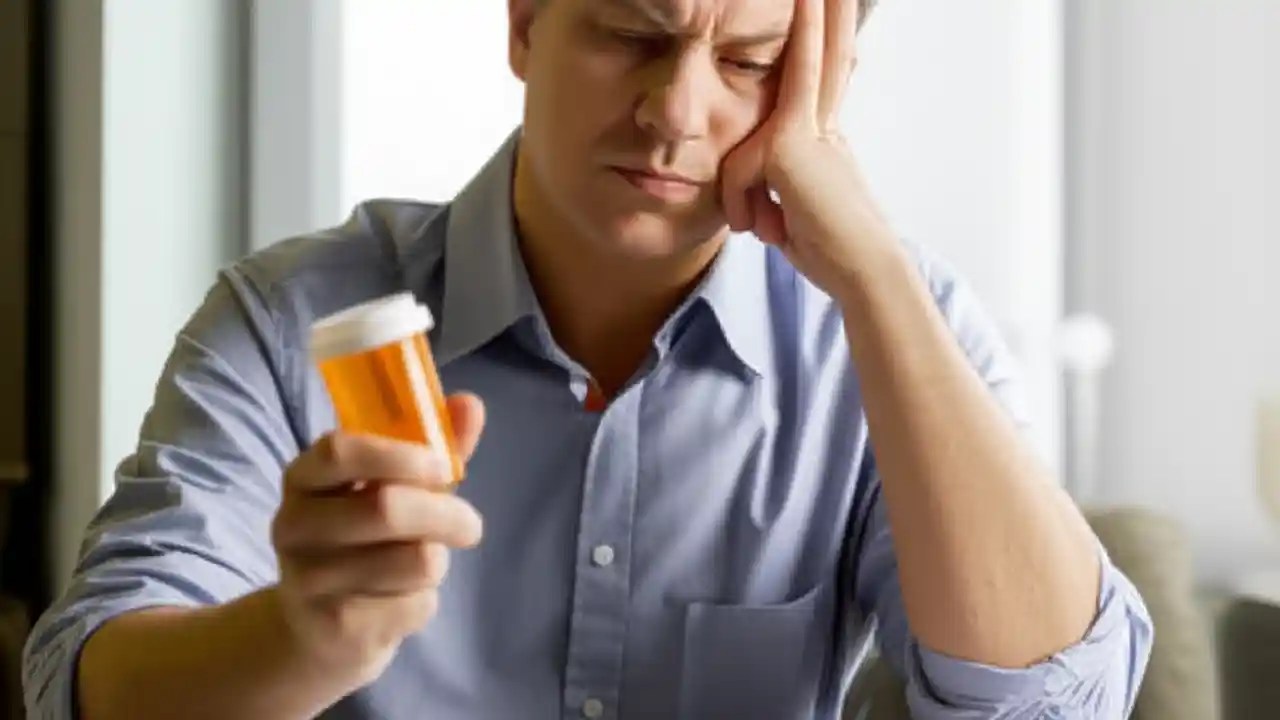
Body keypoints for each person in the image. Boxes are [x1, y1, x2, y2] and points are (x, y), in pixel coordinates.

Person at [24, 0, 1154, 718]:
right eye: (632, 36)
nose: (676, 111)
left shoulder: (890, 332)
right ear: (524, 24)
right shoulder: (294, 317)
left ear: (828, 78)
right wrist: (298, 636)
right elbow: (86, 684)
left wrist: (872, 273)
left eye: (751, 62)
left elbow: (1057, 701)